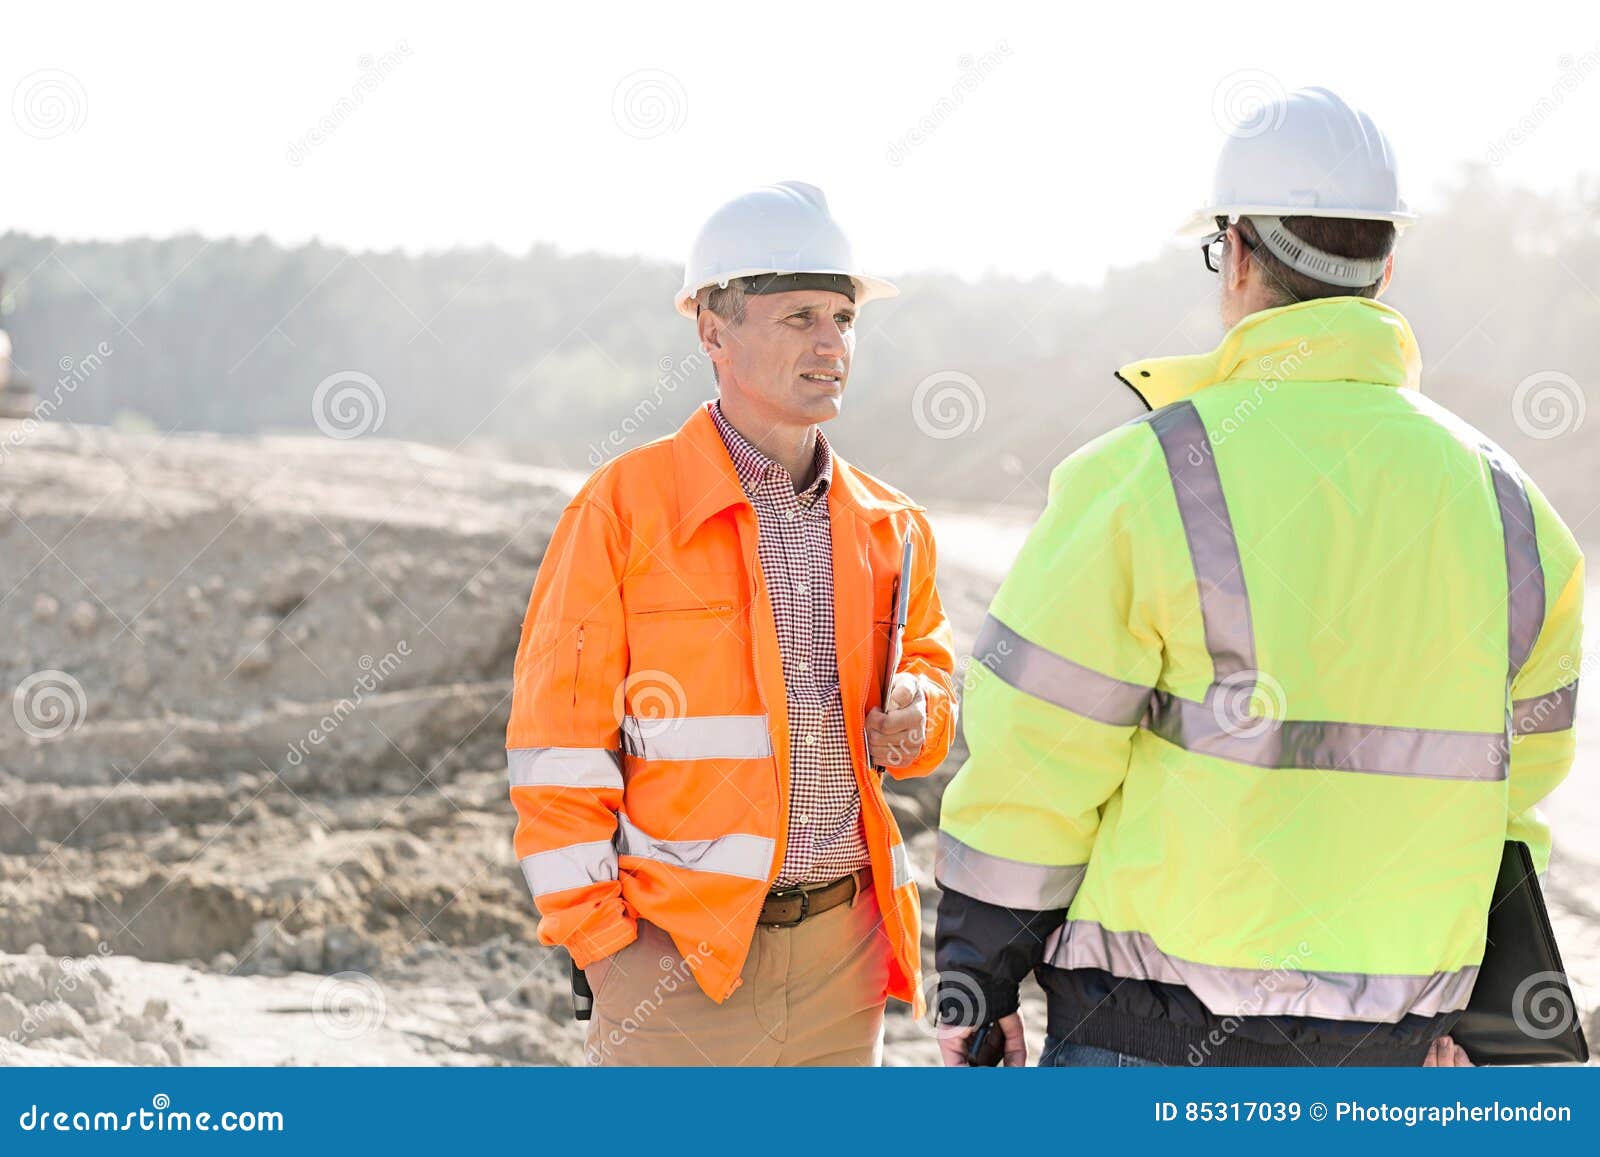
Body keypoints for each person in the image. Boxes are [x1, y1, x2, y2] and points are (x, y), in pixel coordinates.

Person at [934, 88, 1582, 1068]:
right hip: (1400, 1048)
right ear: (1385, 263)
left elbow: (1039, 756)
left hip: (1147, 1039)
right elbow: (1512, 795)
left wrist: (978, 973)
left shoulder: (1146, 476)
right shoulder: (1514, 510)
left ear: (1234, 252)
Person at [507, 181, 959, 1065]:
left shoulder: (890, 525)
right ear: (713, 331)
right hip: (675, 960)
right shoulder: (624, 509)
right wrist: (601, 947)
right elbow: (556, 746)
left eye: (842, 317)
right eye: (799, 318)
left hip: (843, 954)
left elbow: (931, 677)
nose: (832, 343)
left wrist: (921, 711)